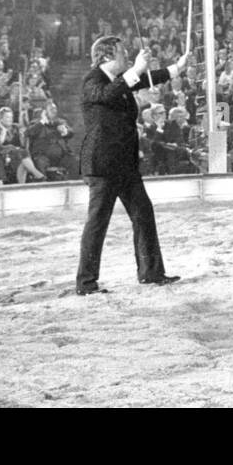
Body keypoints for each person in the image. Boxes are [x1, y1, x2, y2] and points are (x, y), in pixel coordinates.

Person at [75, 35, 188, 296]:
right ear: (106, 57)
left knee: (143, 214)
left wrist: (176, 69)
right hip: (102, 165)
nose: (127, 56)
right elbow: (107, 94)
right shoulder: (92, 80)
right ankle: (86, 283)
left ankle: (151, 273)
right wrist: (136, 69)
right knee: (97, 223)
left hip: (125, 165)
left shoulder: (120, 80)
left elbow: (145, 80)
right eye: (122, 52)